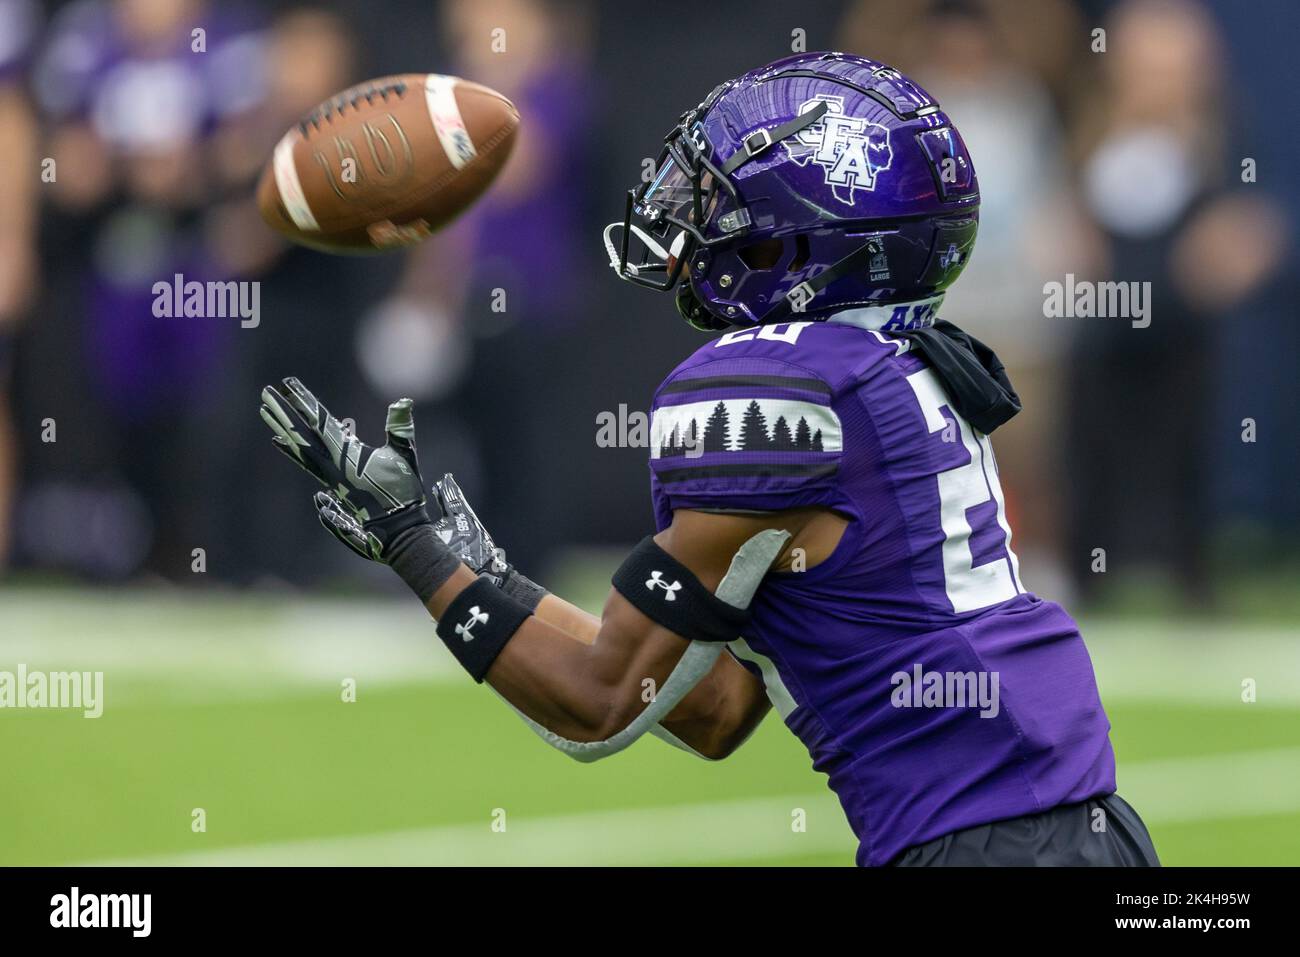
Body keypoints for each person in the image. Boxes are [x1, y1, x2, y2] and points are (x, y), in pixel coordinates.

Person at [259, 53, 1158, 867]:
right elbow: (711, 705)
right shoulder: (888, 366)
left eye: (721, 199)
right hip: (1085, 832)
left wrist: (415, 547)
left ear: (804, 240)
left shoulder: (773, 385)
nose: (691, 219)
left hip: (982, 846)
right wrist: (479, 568)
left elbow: (599, 701)